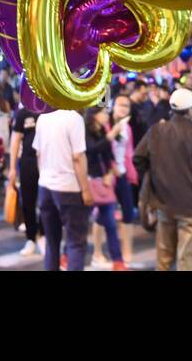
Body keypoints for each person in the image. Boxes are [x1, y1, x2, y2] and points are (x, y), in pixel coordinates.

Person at [134, 87, 192, 271]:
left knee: (164, 255)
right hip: (190, 204)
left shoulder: (156, 130)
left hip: (164, 202)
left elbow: (138, 158)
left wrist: (154, 175)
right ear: (190, 110)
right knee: (186, 257)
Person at [33, 107, 93, 271]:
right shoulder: (74, 119)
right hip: (70, 188)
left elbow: (38, 154)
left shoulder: (43, 117)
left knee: (52, 243)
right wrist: (86, 190)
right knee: (75, 242)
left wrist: (44, 177)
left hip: (45, 186)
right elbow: (78, 157)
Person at [84, 107, 126, 270]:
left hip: (104, 182)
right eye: (103, 113)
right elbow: (91, 150)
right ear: (94, 115)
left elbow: (107, 153)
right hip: (89, 182)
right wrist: (111, 135)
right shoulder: (84, 130)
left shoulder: (102, 130)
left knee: (110, 223)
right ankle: (66, 256)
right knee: (81, 224)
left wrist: (110, 171)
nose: (106, 116)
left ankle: (118, 261)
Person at [108, 94, 139, 264]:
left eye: (126, 106)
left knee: (128, 212)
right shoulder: (106, 124)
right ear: (113, 105)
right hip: (107, 176)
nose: (123, 109)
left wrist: (130, 172)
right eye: (120, 105)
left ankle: (127, 253)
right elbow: (103, 150)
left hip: (123, 175)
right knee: (103, 215)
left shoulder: (127, 128)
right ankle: (99, 253)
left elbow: (129, 152)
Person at [8, 99, 41, 257]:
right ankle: (31, 238)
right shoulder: (24, 112)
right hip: (28, 162)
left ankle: (45, 235)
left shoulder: (52, 108)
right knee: (28, 201)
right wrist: (12, 168)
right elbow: (15, 141)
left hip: (48, 162)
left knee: (48, 202)